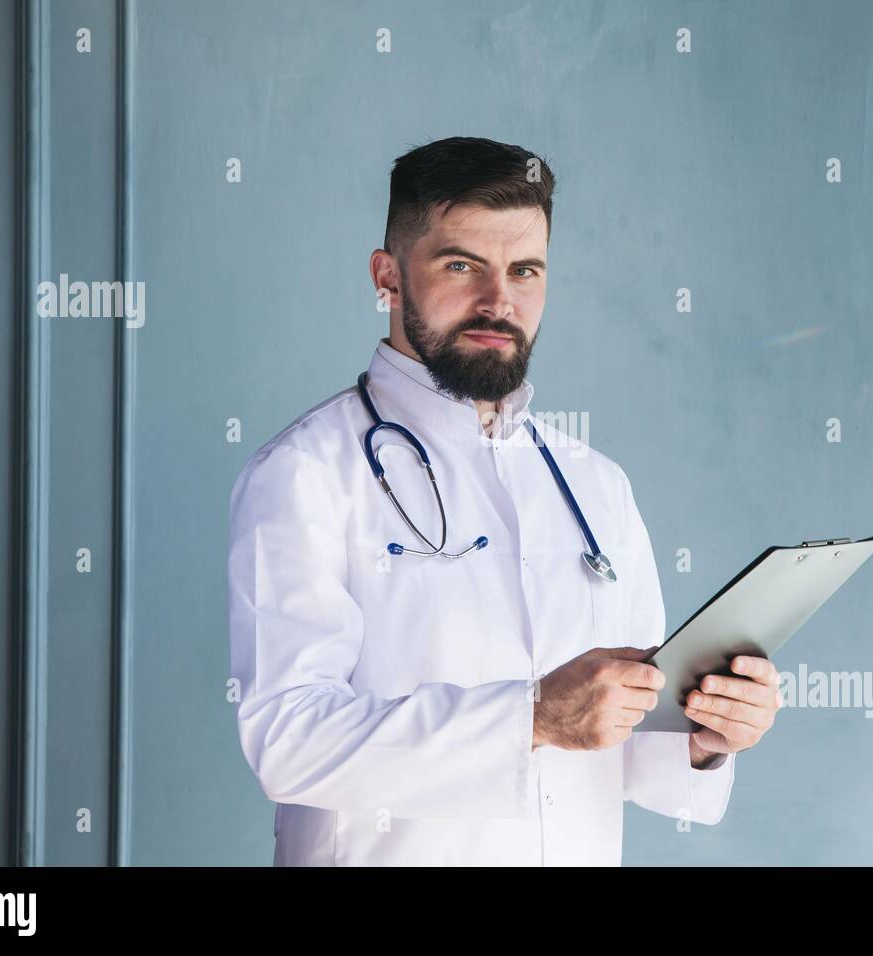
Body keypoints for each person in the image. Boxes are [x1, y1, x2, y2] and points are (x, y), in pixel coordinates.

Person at [226, 136, 782, 866]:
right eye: (462, 265)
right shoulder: (304, 473)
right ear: (386, 276)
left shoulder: (595, 484)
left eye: (525, 270)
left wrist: (709, 734)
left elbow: (639, 752)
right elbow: (289, 742)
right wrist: (531, 716)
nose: (499, 300)